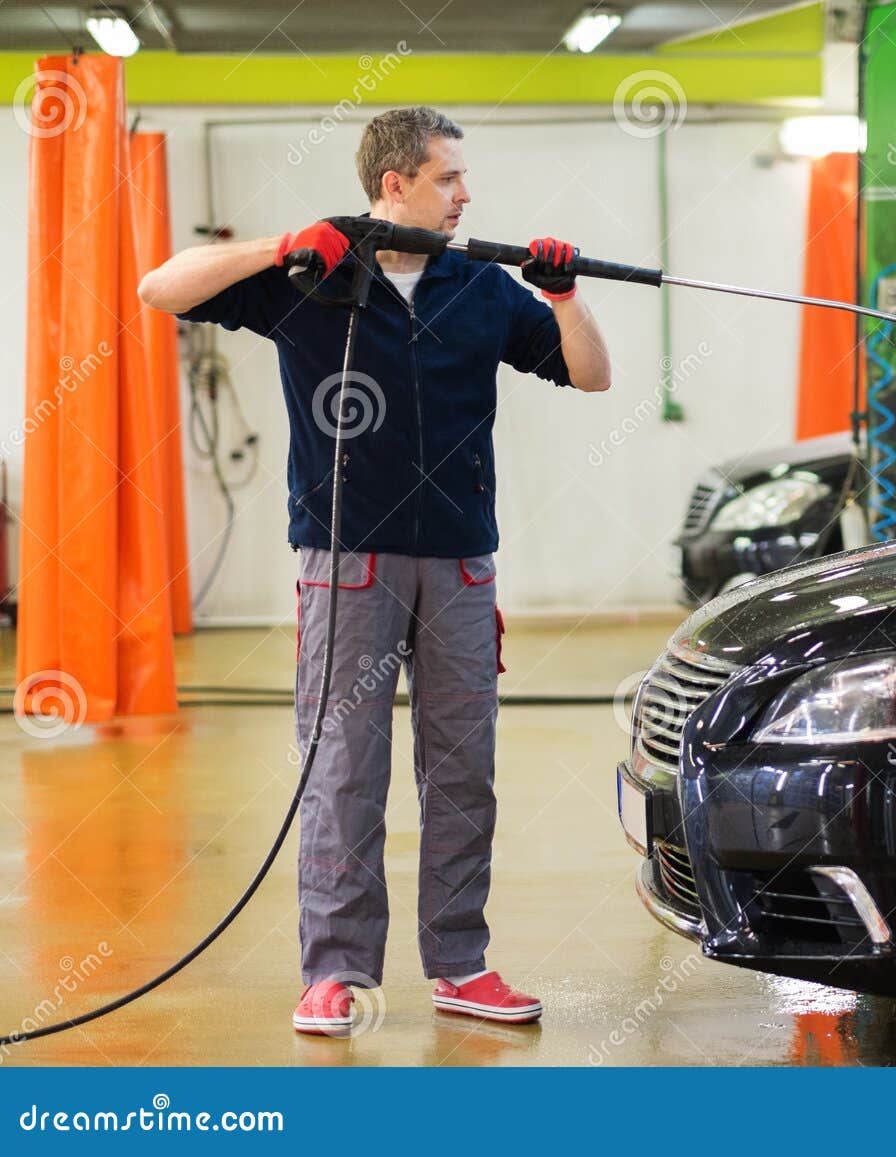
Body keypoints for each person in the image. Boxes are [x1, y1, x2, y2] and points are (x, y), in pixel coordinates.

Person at [139, 106, 611, 1035]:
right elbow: (161, 287)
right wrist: (280, 244)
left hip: (461, 564)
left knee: (464, 771)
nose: (466, 194)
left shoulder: (479, 285)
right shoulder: (312, 274)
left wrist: (564, 297)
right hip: (346, 560)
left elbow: (592, 375)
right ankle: (335, 972)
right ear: (394, 184)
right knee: (344, 768)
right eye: (448, 178)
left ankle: (461, 964)